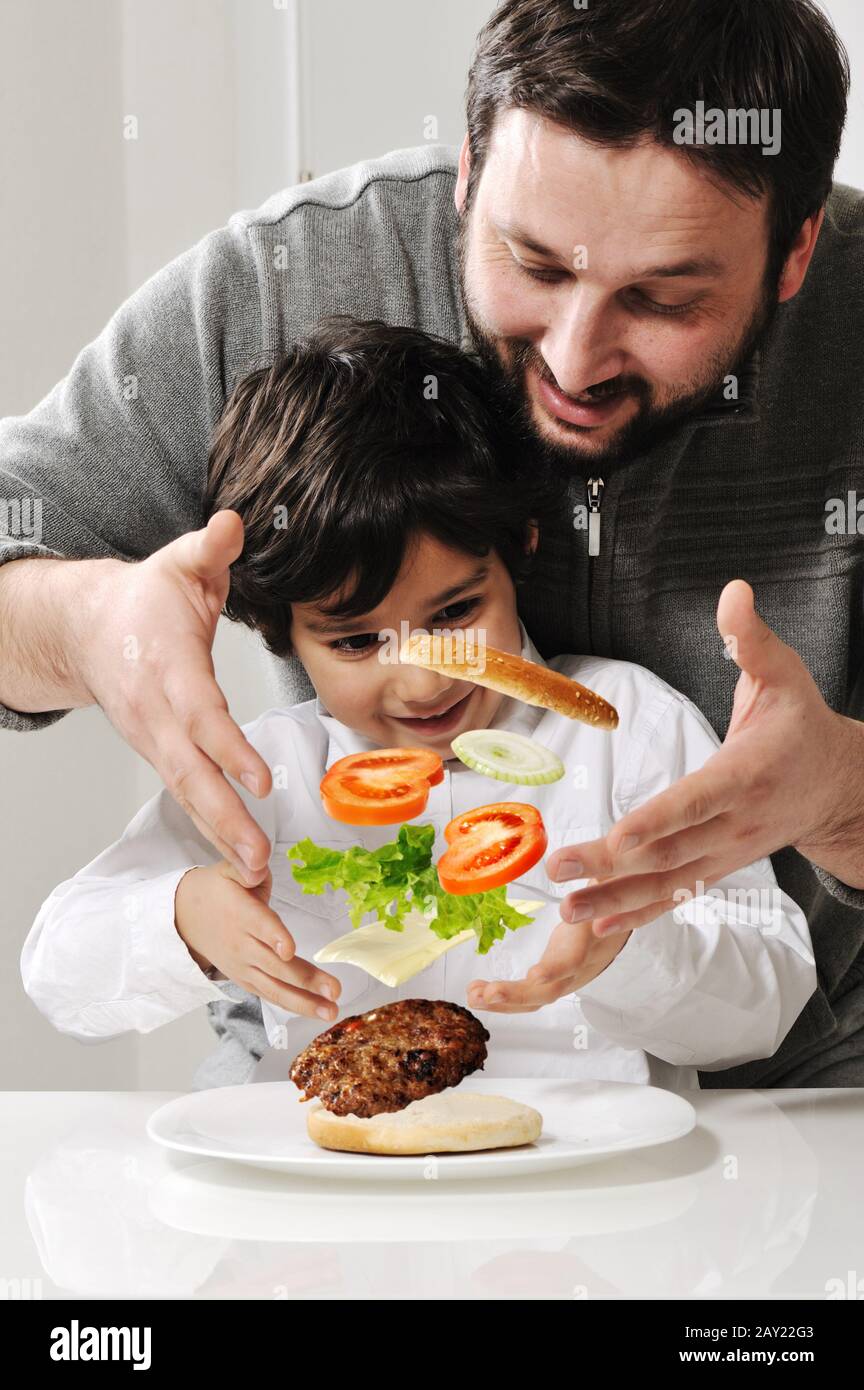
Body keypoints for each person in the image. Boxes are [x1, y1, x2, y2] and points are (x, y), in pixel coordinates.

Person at [1, 0, 861, 1086]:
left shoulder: (635, 729)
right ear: (467, 169)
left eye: (660, 297)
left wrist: (843, 796)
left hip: (792, 1107)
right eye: (533, 265)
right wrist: (88, 623)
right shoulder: (273, 285)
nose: (575, 359)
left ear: (794, 254)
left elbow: (757, 986)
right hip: (316, 1141)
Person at [20, 319, 815, 1090]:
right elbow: (58, 972)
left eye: (455, 616)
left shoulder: (628, 727)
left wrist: (632, 947)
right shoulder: (267, 776)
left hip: (590, 1186)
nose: (425, 683)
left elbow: (770, 999)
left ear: (520, 549)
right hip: (342, 1184)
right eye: (357, 643)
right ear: (281, 632)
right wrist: (185, 920)